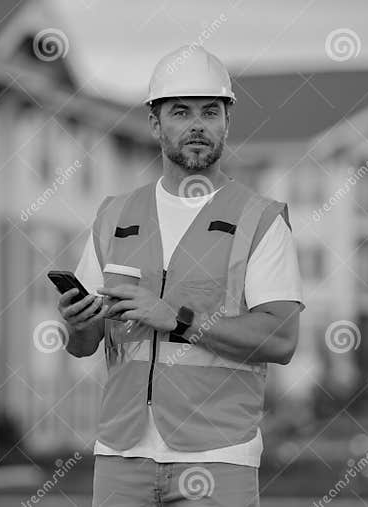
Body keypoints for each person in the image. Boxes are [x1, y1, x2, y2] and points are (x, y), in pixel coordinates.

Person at [57, 45, 305, 507]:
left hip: (218, 455)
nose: (197, 125)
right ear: (155, 122)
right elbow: (84, 345)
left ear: (227, 122)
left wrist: (177, 318)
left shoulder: (261, 220)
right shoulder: (114, 216)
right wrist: (76, 322)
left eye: (211, 112)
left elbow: (281, 339)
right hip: (121, 452)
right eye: (180, 112)